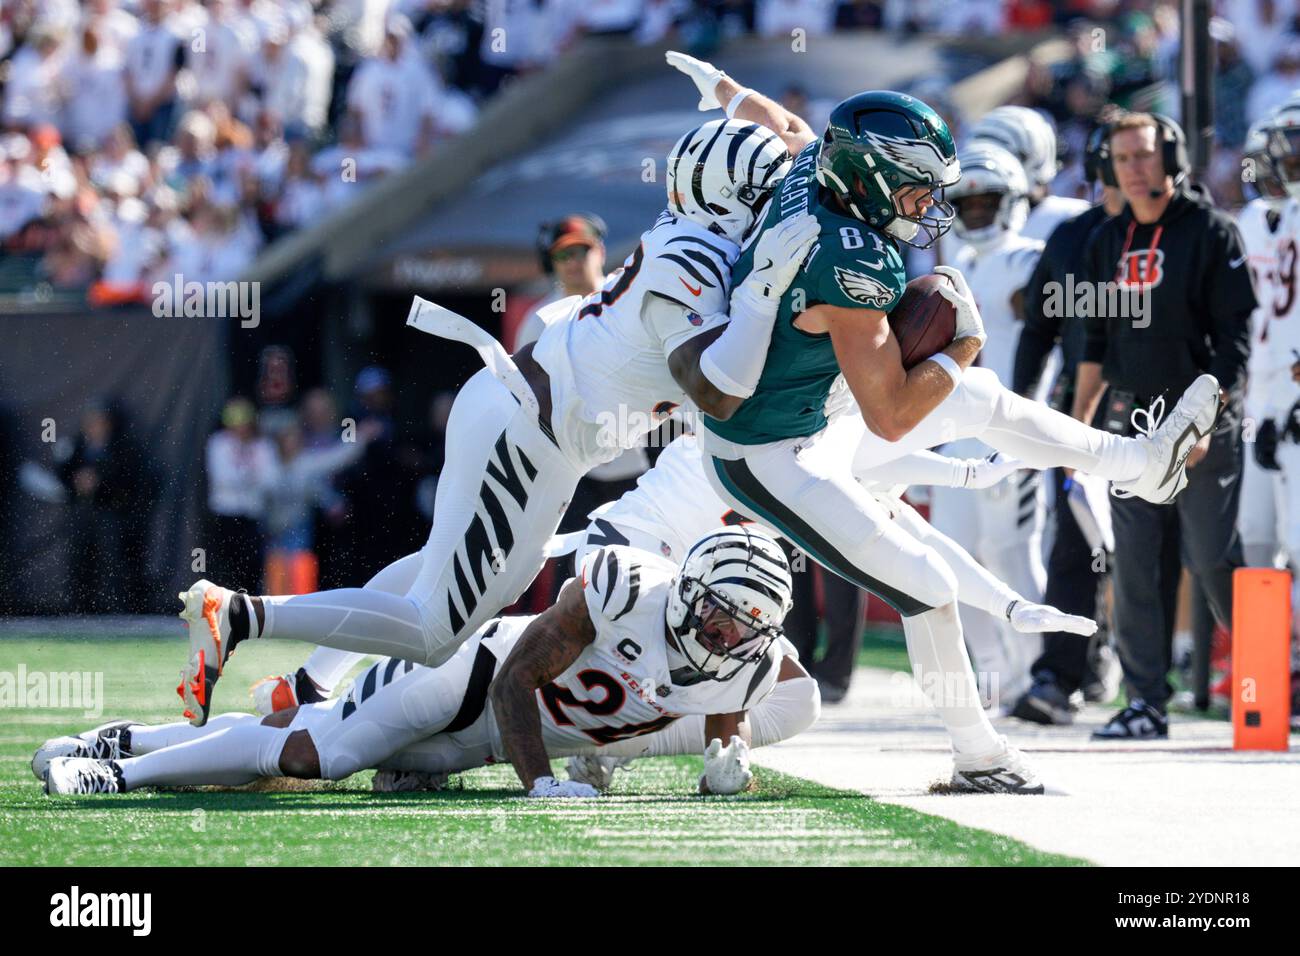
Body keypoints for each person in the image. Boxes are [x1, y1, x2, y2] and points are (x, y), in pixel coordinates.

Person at [663, 60, 1220, 791]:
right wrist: (961, 344)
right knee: (926, 581)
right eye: (915, 186)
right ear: (866, 177)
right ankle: (978, 755)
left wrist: (729, 92)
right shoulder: (849, 261)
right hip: (769, 453)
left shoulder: (814, 173)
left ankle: (1138, 464)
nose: (929, 204)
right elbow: (892, 416)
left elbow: (789, 127)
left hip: (807, 402)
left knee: (980, 398)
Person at [170, 117, 819, 728]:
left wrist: (756, 117)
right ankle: (238, 613)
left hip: (526, 418)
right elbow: (715, 392)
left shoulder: (689, 238)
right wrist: (765, 294)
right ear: (740, 197)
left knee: (444, 569)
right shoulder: (697, 259)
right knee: (432, 632)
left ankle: (307, 683)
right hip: (535, 437)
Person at [41, 528, 813, 799]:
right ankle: (117, 775)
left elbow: (726, 714)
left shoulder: (746, 661)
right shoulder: (625, 587)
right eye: (720, 610)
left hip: (472, 747)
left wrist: (727, 758)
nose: (726, 632)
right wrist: (540, 781)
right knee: (320, 753)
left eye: (746, 625)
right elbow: (519, 682)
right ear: (691, 588)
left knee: (292, 741)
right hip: (473, 678)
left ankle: (122, 739)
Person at [1073, 112, 1254, 739]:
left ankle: (1268, 685)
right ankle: (1145, 703)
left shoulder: (1212, 232)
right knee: (1137, 568)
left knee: (1211, 559)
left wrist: (1206, 419)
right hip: (1130, 424)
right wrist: (1078, 426)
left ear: (1170, 156)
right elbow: (1093, 342)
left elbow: (1235, 342)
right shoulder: (1105, 240)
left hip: (1202, 419)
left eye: (1145, 156)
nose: (1134, 168)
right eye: (1122, 160)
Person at [1011, 121, 1128, 725]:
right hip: (1079, 414)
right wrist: (1014, 409)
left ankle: (1168, 673)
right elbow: (1038, 329)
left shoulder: (1189, 231)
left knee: (1164, 546)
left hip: (1161, 411)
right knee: (1075, 546)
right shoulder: (1071, 238)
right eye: (1118, 160)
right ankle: (1061, 671)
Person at [927, 139, 1047, 703]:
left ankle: (1038, 677)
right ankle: (995, 677)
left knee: (1012, 554)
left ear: (1014, 200)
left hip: (1010, 430)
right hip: (953, 434)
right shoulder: (957, 265)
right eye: (966, 205)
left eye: (986, 202)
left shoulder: (1030, 258)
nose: (976, 214)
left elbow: (1054, 345)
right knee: (950, 561)